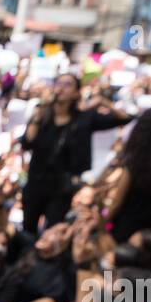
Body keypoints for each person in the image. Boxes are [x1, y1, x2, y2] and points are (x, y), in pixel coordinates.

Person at [21, 73, 132, 233]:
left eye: (67, 85)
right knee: (27, 229)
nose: (61, 88)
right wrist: (36, 119)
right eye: (58, 83)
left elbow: (125, 118)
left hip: (61, 188)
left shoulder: (84, 119)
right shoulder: (43, 114)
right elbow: (27, 143)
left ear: (76, 93)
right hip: (35, 182)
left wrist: (102, 101)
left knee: (53, 231)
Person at [100, 107, 151, 243]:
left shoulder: (135, 164)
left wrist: (102, 225)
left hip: (124, 225)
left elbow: (117, 203)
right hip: (147, 228)